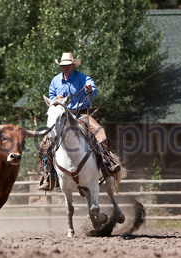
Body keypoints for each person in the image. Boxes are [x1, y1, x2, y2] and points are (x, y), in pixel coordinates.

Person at [39, 52, 121, 190]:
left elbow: (93, 90)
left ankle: (107, 164)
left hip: (81, 114)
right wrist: (55, 99)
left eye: (67, 65)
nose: (64, 68)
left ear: (73, 65)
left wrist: (89, 89)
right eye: (62, 65)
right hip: (62, 116)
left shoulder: (83, 78)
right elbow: (51, 98)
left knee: (101, 134)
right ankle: (48, 175)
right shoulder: (55, 81)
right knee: (47, 142)